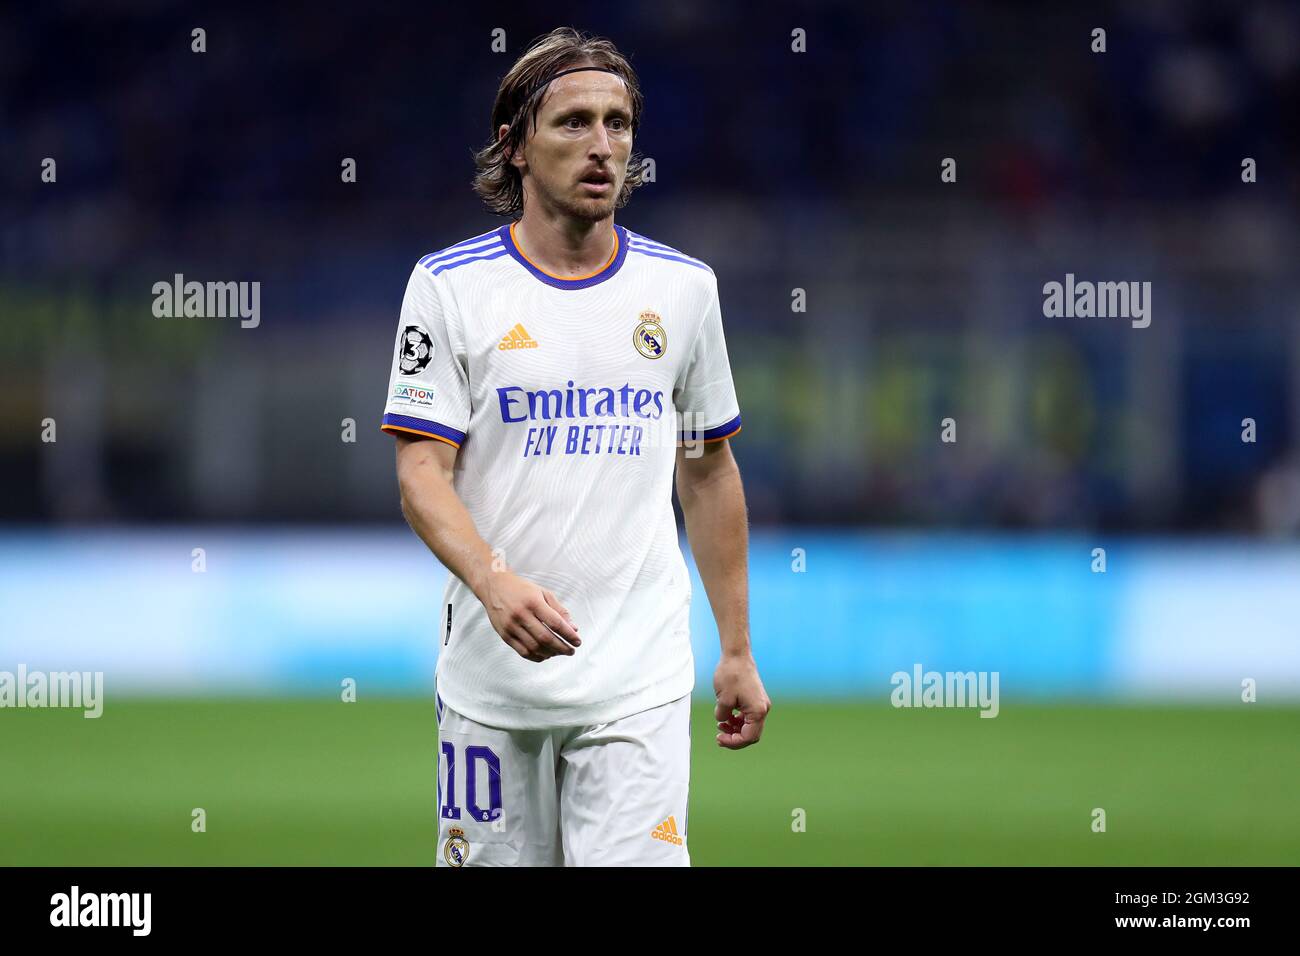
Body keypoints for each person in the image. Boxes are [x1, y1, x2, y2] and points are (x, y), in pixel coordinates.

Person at [380, 26, 769, 867]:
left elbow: (707, 471)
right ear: (514, 146)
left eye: (618, 123)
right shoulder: (449, 289)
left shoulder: (683, 290)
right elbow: (419, 471)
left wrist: (735, 649)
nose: (603, 147)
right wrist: (492, 582)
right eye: (574, 123)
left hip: (640, 684)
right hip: (492, 691)